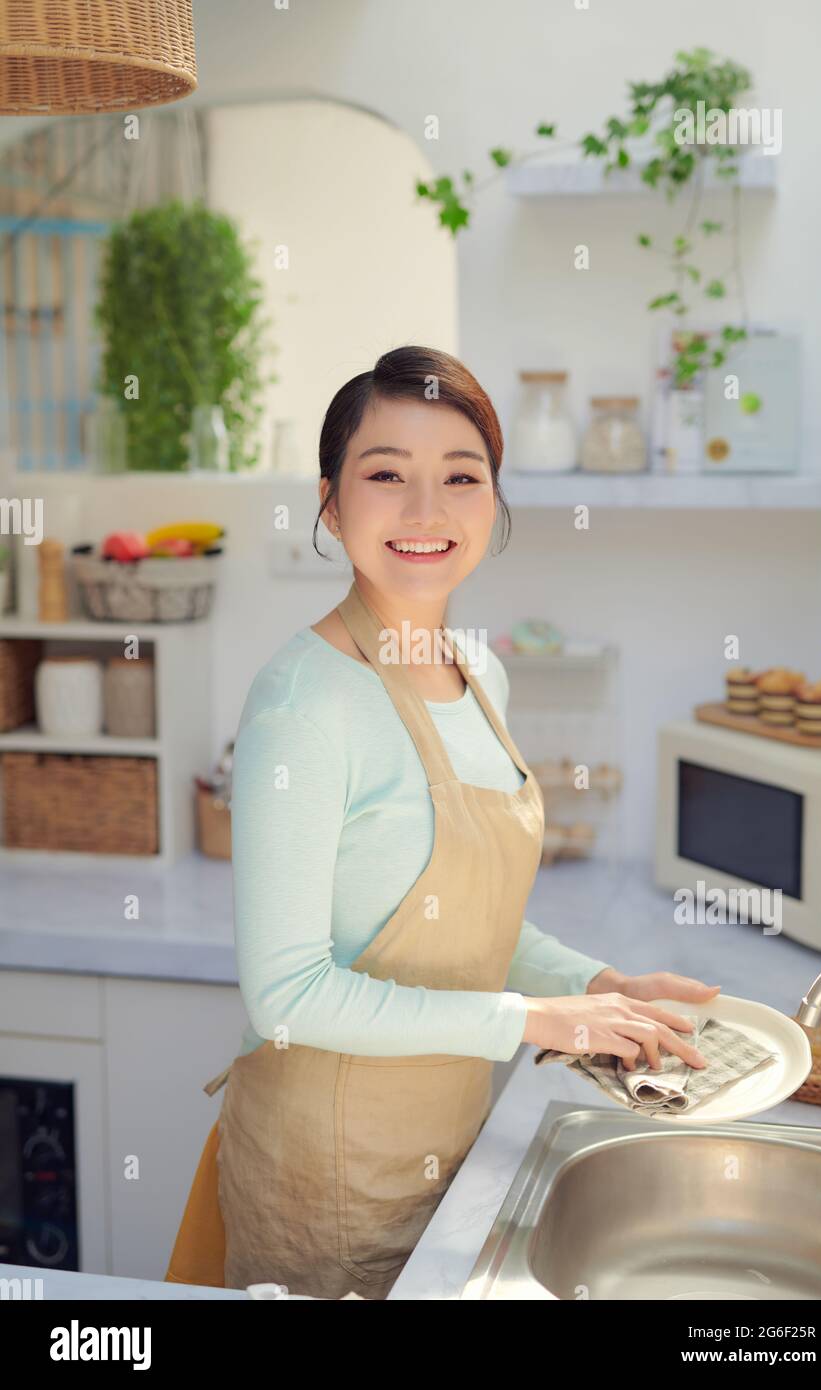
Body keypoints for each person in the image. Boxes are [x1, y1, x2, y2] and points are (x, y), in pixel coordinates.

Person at [165, 345, 716, 1299]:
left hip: (447, 1164)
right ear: (332, 504)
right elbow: (286, 996)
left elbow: (459, 925)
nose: (426, 512)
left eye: (461, 477)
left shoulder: (481, 674)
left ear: (494, 505)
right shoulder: (303, 704)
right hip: (324, 1194)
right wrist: (538, 1019)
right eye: (386, 476)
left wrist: (596, 985)